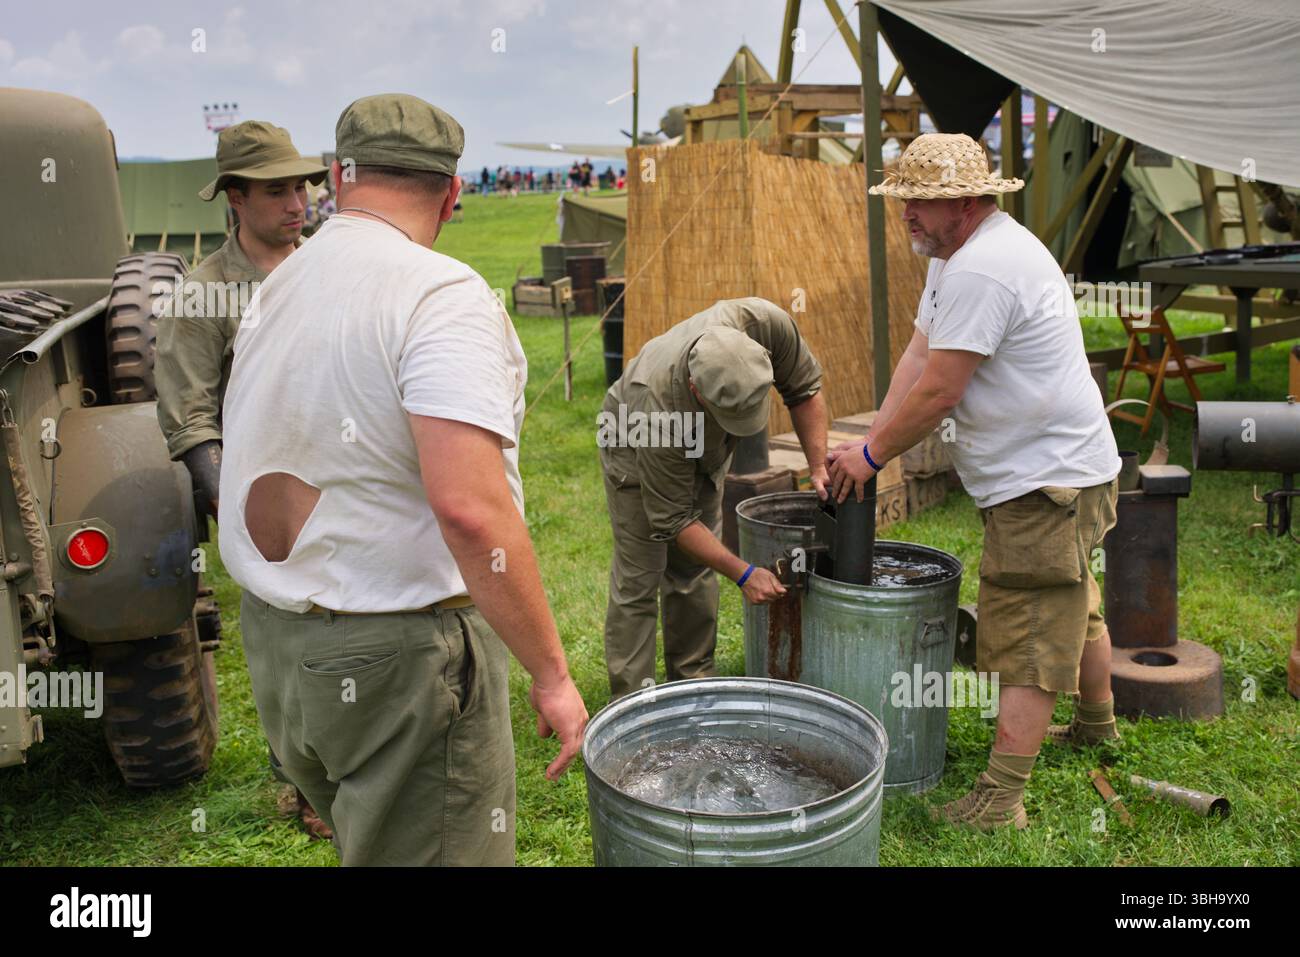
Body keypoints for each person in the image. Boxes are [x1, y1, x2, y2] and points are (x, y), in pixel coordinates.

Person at [218, 93, 588, 866]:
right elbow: (471, 511)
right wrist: (552, 673)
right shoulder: (438, 295)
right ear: (453, 195)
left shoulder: (278, 284)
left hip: (284, 646)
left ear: (335, 177)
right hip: (394, 657)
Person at [827, 132, 1121, 832]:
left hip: (1047, 479)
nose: (905, 215)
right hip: (1063, 468)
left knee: (1027, 626)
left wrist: (869, 459)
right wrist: (870, 441)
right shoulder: (954, 256)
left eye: (919, 203)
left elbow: (940, 394)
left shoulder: (982, 269)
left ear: (964, 200)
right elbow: (918, 359)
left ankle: (999, 799)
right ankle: (1098, 723)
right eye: (902, 200)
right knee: (1072, 598)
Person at [154, 120, 331, 840]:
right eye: (276, 189)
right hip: (262, 490)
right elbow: (191, 417)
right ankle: (305, 781)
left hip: (342, 472)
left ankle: (347, 763)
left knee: (350, 632)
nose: (297, 202)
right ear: (234, 196)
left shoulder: (328, 265)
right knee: (288, 644)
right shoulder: (204, 296)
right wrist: (238, 515)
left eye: (303, 186)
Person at [599, 298, 828, 700]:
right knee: (640, 574)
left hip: (703, 442)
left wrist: (819, 467)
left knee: (694, 568)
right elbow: (672, 521)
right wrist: (743, 572)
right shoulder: (656, 408)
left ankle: (692, 681)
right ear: (696, 389)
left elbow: (804, 390)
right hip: (630, 436)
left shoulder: (766, 324)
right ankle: (633, 704)